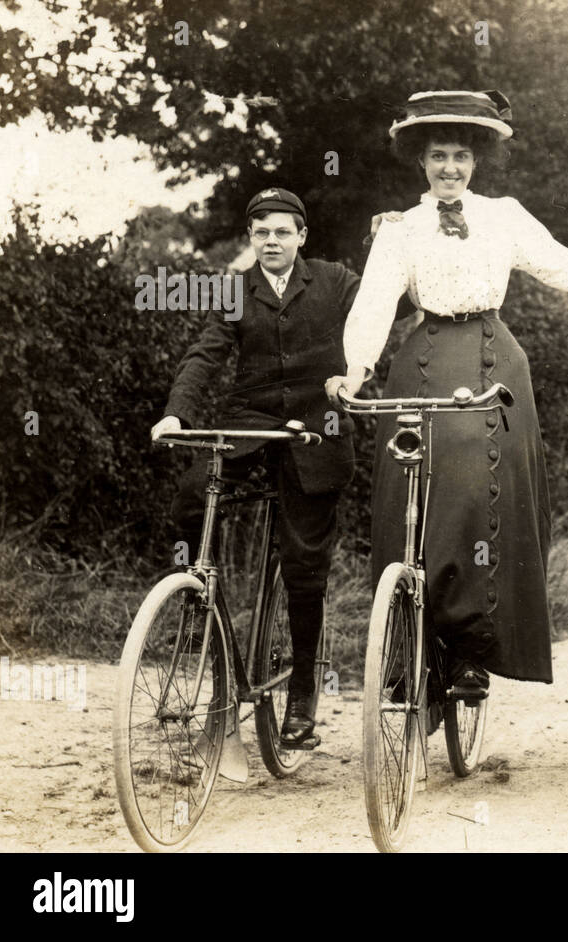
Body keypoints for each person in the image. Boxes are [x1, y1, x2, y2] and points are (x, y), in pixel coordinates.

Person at [326, 90, 568, 698]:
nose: (449, 167)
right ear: (421, 163)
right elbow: (374, 305)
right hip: (421, 365)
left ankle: (471, 650)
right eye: (437, 157)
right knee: (411, 498)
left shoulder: (505, 215)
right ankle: (407, 644)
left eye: (459, 156)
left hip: (494, 368)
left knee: (480, 498)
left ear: (476, 161)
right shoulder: (400, 230)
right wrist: (354, 371)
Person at [152, 187, 360, 748]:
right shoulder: (235, 292)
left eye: (282, 232)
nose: (272, 241)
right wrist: (177, 416)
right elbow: (205, 356)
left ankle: (302, 695)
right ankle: (201, 612)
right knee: (192, 499)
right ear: (251, 238)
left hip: (317, 429)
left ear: (302, 237)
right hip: (251, 426)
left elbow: (383, 308)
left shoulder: (335, 281)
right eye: (262, 232)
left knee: (304, 565)